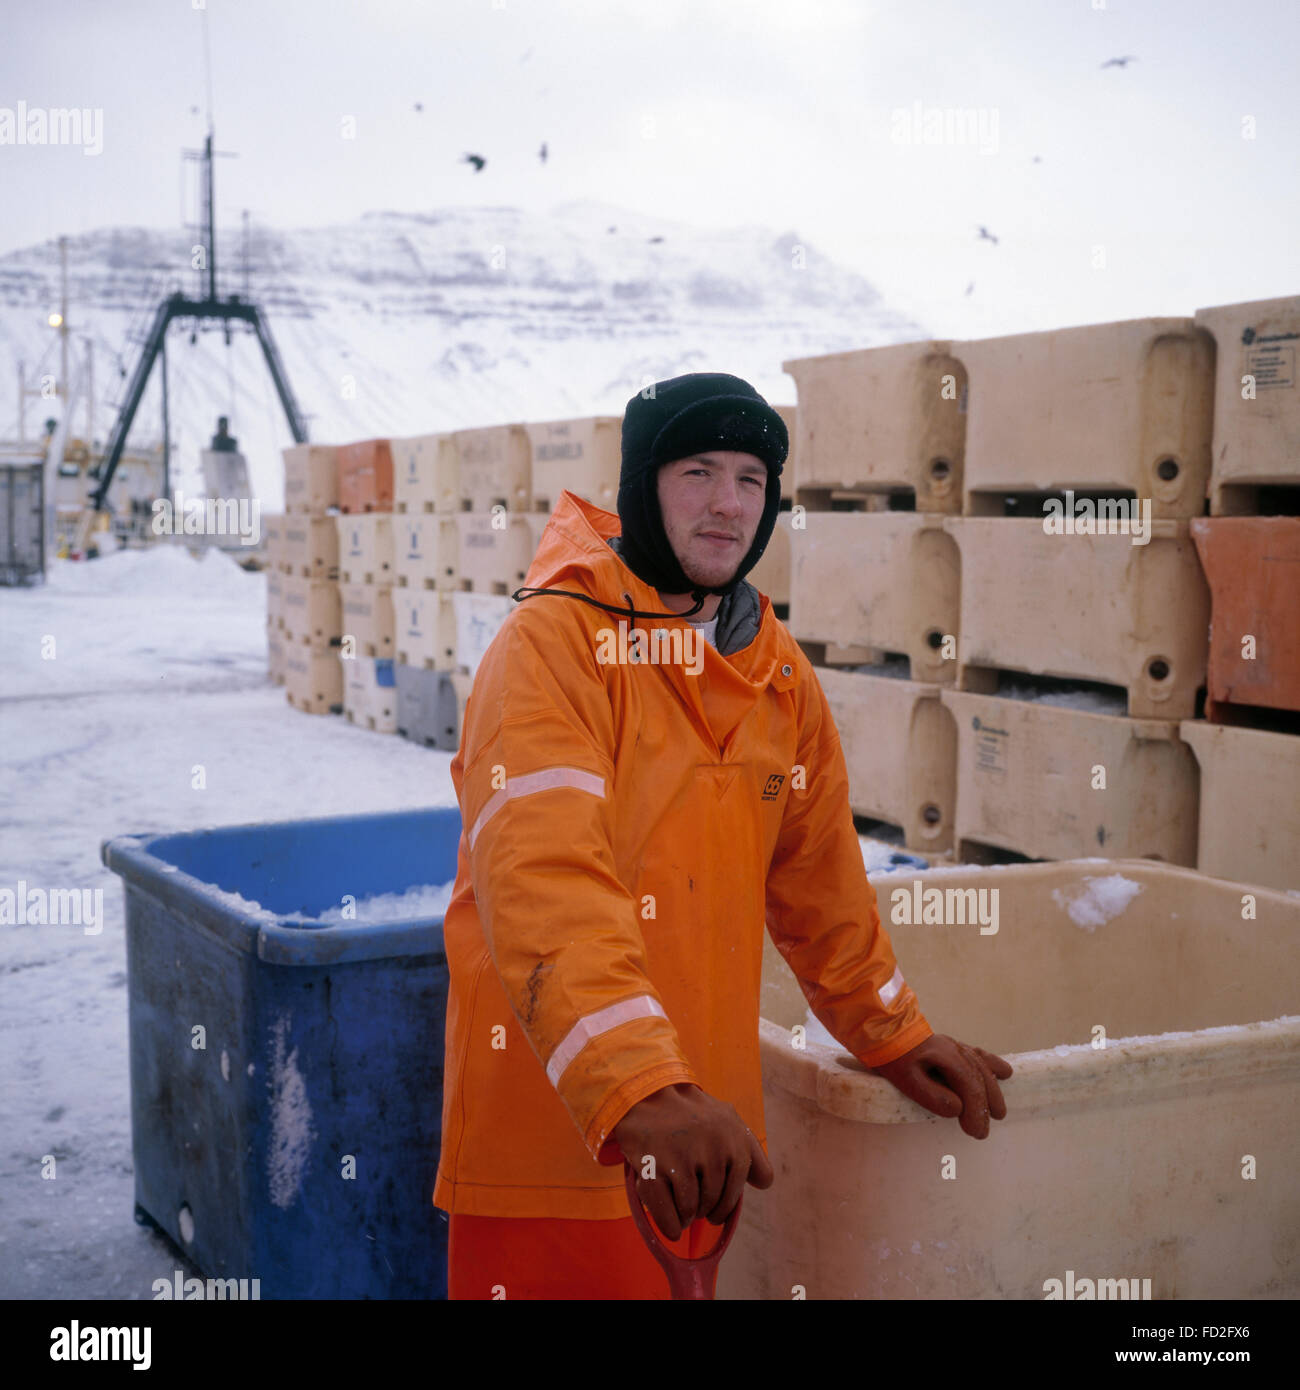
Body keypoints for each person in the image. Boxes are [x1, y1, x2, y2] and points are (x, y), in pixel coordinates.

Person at [432, 372, 1012, 1299]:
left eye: (751, 479)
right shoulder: (551, 647)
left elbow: (821, 884)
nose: (727, 505)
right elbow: (545, 879)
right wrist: (642, 1091)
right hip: (560, 1140)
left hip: (704, 1144)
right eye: (697, 472)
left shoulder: (776, 670)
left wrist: (892, 1032)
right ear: (641, 487)